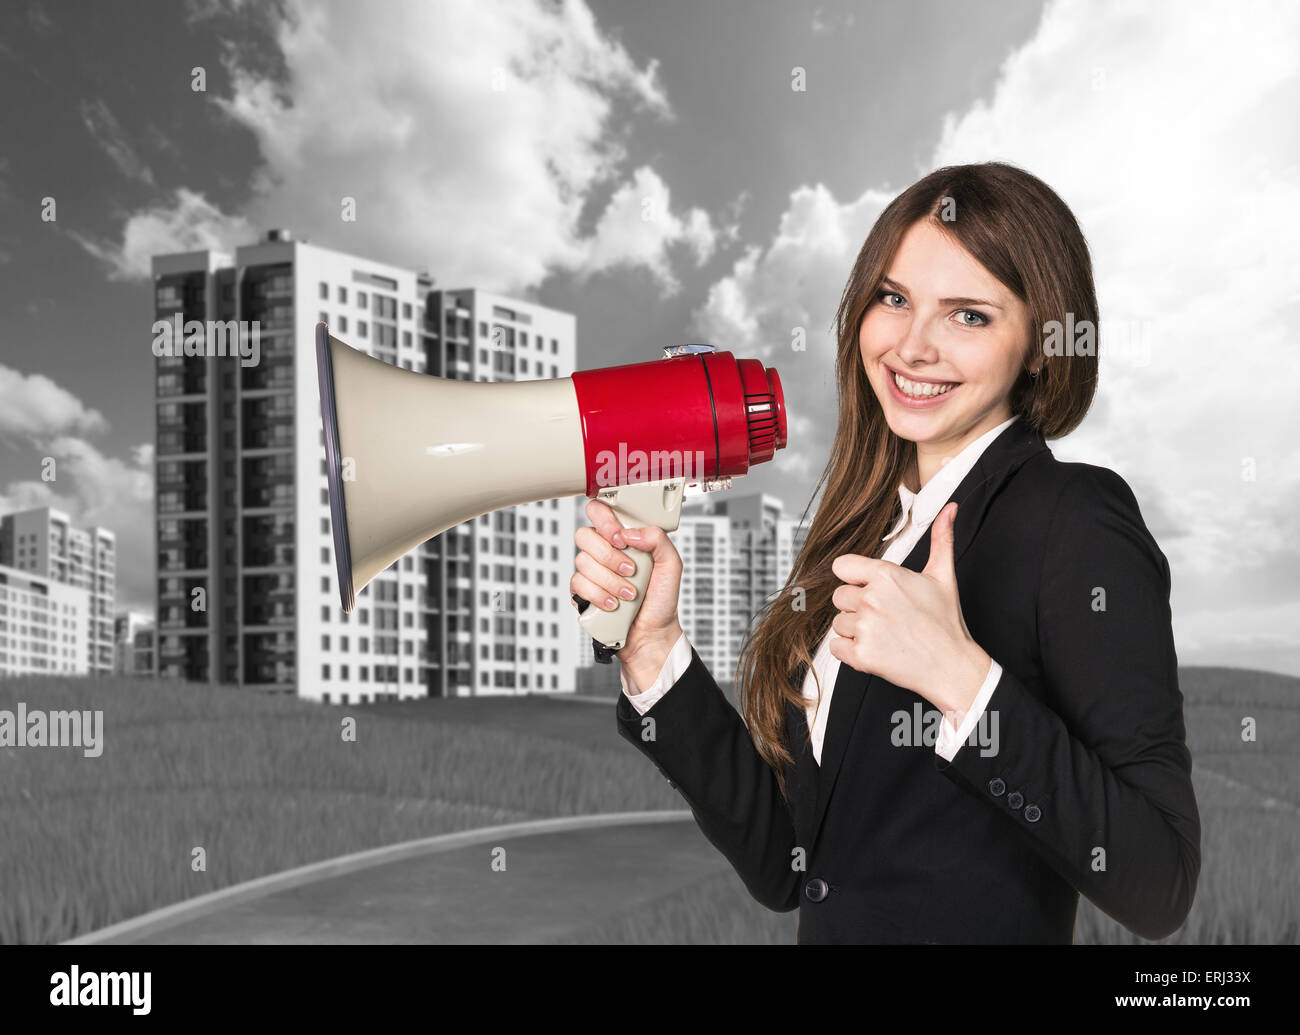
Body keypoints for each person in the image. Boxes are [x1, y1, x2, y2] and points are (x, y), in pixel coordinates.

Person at [570, 162, 1201, 945]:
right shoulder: (867, 532)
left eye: (968, 315)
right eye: (894, 298)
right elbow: (790, 866)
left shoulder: (1076, 519)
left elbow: (1161, 879)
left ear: (1042, 346)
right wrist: (652, 648)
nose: (912, 346)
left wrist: (961, 679)